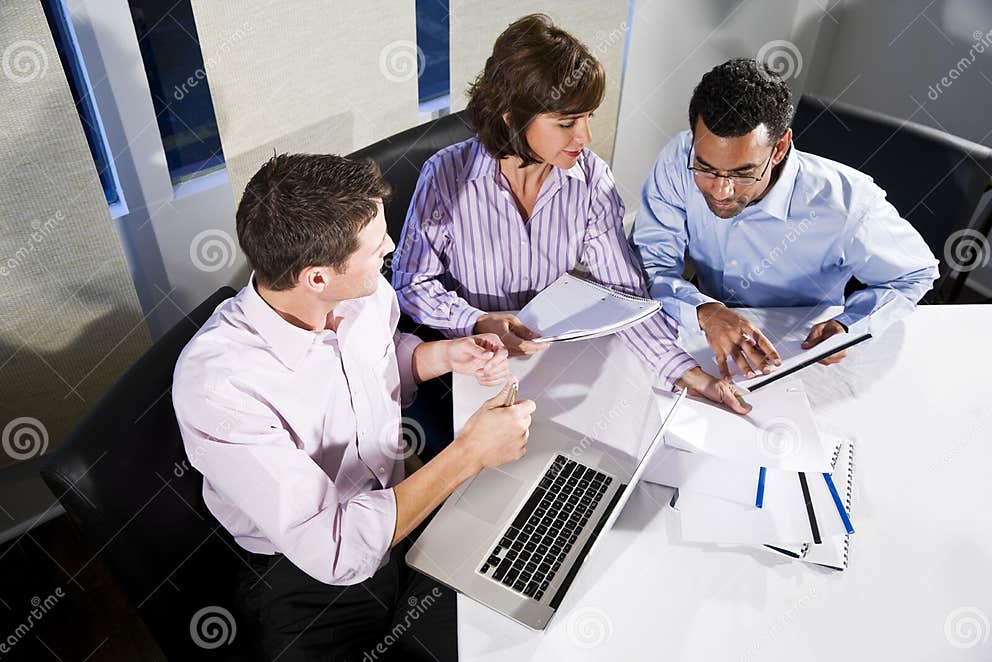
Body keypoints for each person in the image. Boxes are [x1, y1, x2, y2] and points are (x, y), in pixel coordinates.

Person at [173, 153, 534, 661]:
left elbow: (386, 362)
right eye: (376, 245)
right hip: (306, 572)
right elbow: (336, 548)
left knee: (517, 618)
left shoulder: (362, 295)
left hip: (402, 504)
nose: (390, 246)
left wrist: (440, 356)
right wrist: (469, 454)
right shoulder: (219, 384)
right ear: (316, 277)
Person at [391, 14, 748, 414]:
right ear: (511, 116)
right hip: (470, 366)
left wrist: (689, 374)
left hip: (554, 362)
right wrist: (476, 321)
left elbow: (624, 295)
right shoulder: (445, 176)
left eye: (588, 116)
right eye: (566, 123)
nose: (586, 137)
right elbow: (412, 283)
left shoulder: (592, 180)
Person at [631, 58, 939, 380]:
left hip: (798, 355)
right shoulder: (677, 160)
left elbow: (914, 274)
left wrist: (850, 324)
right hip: (698, 336)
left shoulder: (850, 206)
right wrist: (704, 312)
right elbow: (650, 266)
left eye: (742, 173)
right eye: (706, 168)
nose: (721, 190)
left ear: (779, 148)